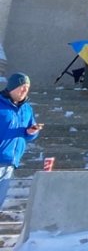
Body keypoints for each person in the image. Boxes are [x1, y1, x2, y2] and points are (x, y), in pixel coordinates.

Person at [0, 73, 43, 209]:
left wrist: (31, 132)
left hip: (11, 162)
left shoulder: (27, 108)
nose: (25, 90)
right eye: (22, 87)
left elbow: (28, 134)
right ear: (12, 87)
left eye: (27, 87)